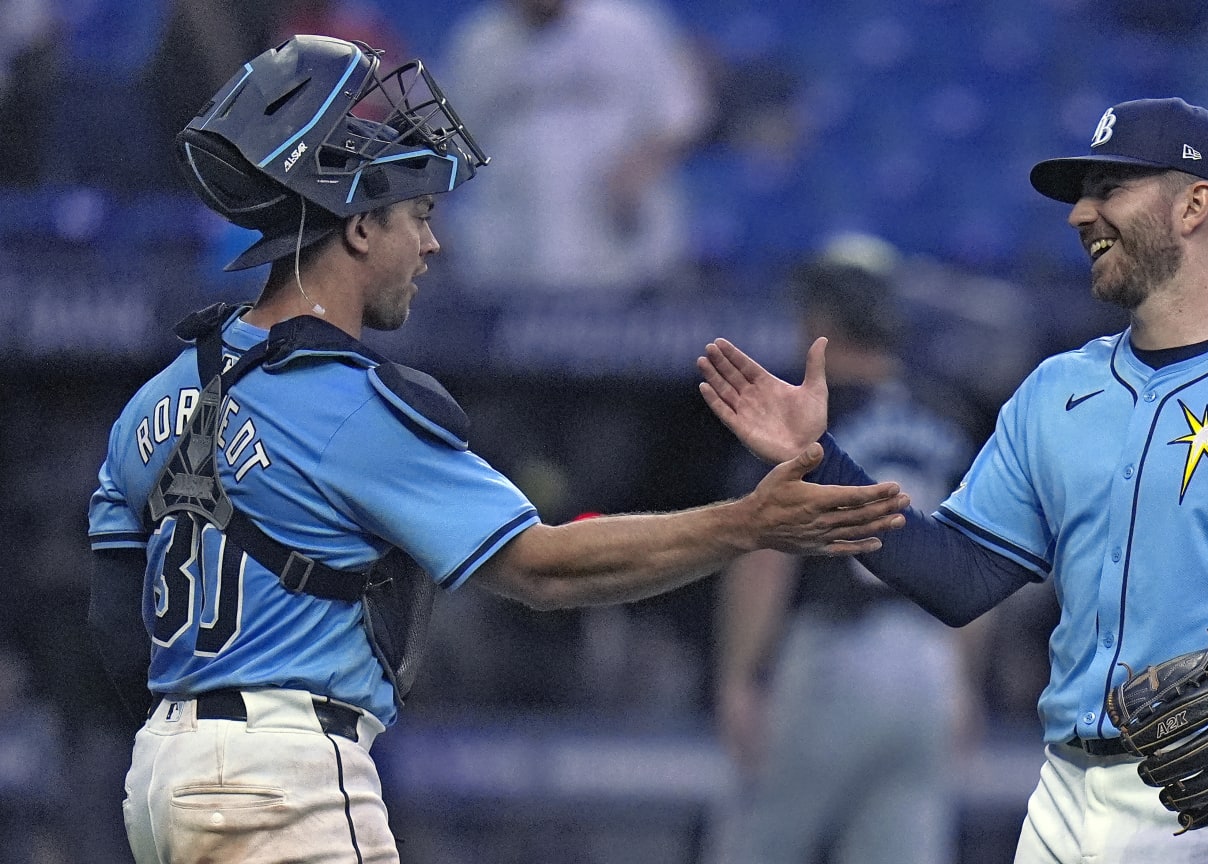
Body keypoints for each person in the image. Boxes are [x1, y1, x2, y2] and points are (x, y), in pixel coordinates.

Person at [84, 35, 908, 863]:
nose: (433, 245)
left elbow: (114, 631)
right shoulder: (351, 405)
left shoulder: (151, 402)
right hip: (284, 774)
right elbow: (543, 569)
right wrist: (747, 523)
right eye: (418, 216)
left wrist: (200, 743)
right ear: (361, 227)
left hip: (162, 775)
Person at [698, 96, 1208, 863]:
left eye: (1109, 189)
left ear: (1194, 206)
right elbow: (958, 576)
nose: (1081, 215)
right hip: (1071, 802)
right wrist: (821, 458)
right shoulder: (1057, 392)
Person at [711, 235, 989, 864]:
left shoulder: (801, 422)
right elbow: (979, 564)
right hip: (927, 665)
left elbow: (765, 558)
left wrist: (739, 679)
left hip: (832, 659)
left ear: (822, 321)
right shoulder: (946, 414)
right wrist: (963, 682)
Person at [439, 0, 712, 302]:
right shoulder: (480, 43)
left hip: (618, 243)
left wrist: (642, 162)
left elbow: (681, 114)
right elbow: (453, 141)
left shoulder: (628, 26)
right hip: (510, 251)